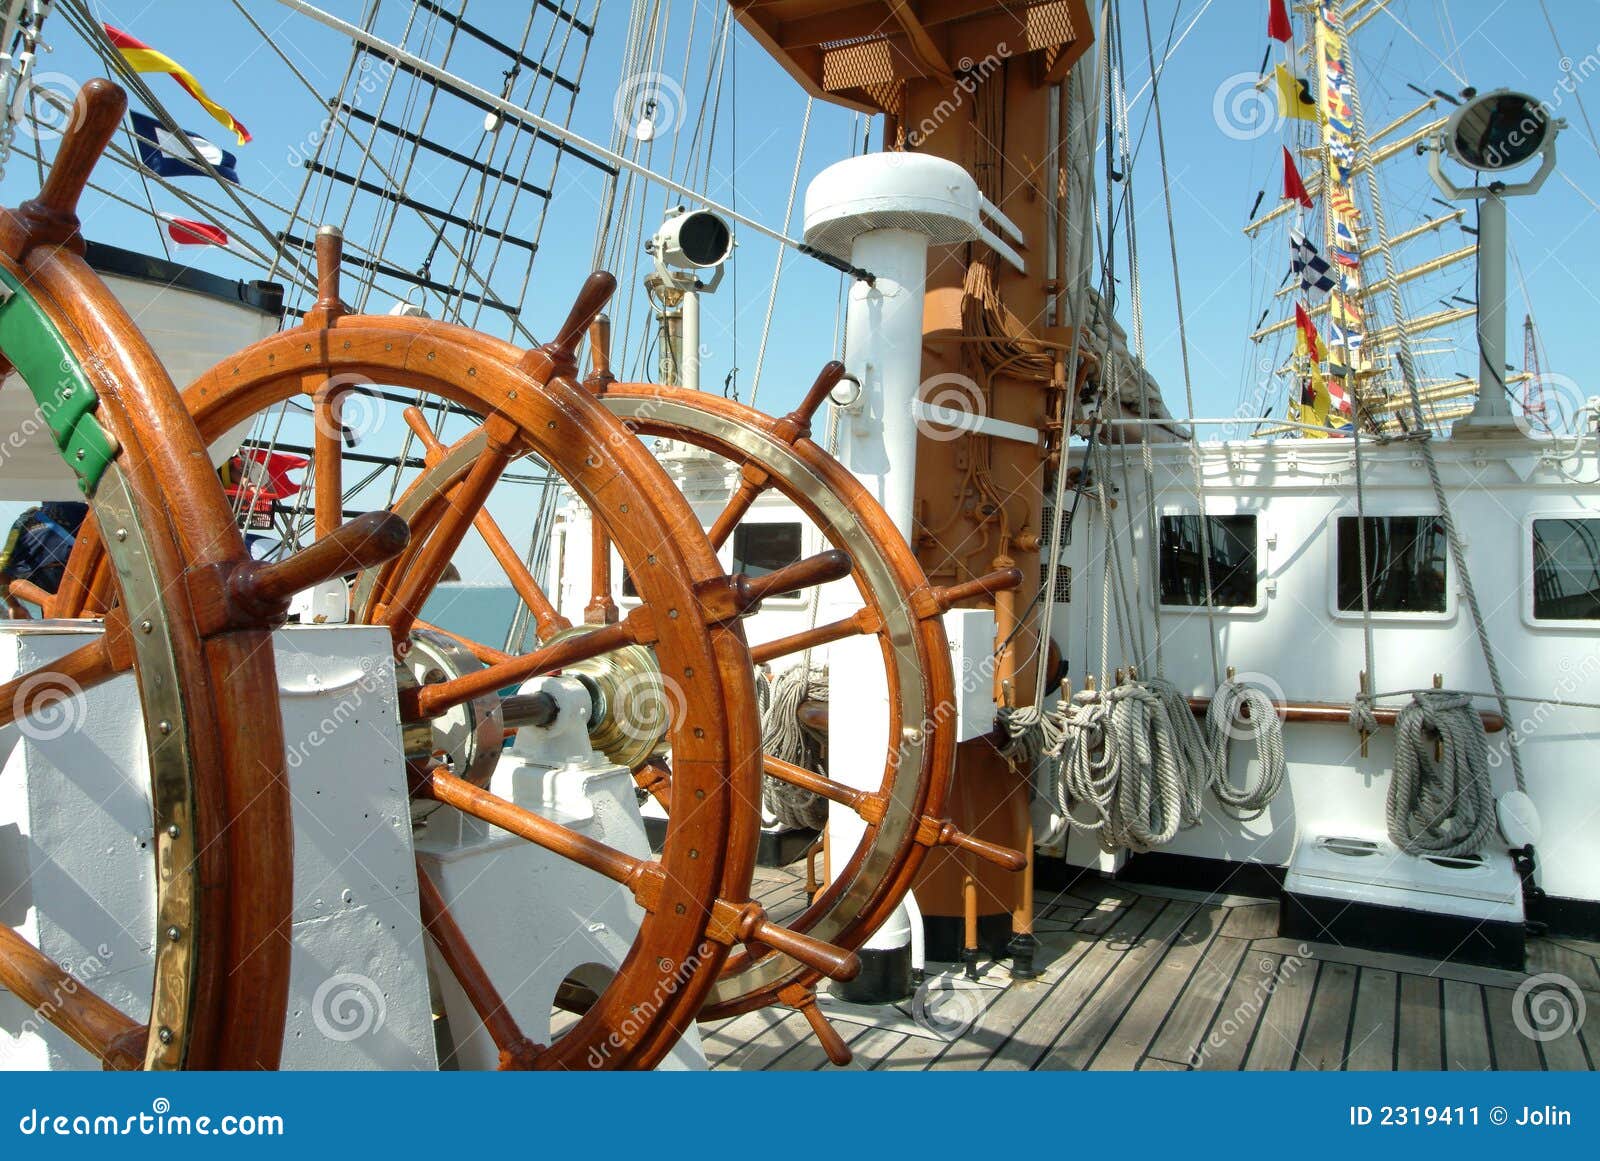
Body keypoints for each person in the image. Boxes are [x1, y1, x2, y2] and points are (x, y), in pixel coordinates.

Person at [0, 501, 89, 615]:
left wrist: (14, 606)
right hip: (75, 573)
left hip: (41, 580)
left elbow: (5, 572)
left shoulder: (24, 520)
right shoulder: (83, 510)